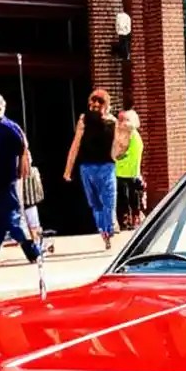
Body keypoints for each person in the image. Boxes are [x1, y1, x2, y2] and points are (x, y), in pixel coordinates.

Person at [0, 93, 40, 266]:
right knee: (3, 217)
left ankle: (29, 251)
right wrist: (20, 172)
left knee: (7, 217)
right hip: (6, 179)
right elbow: (24, 149)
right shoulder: (12, 127)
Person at [64, 88, 124, 250]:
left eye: (99, 101)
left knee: (104, 202)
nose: (96, 104)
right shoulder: (87, 120)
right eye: (94, 101)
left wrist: (68, 170)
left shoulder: (111, 122)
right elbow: (76, 145)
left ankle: (107, 230)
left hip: (101, 166)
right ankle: (105, 231)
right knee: (100, 203)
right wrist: (68, 169)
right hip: (92, 167)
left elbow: (116, 147)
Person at [115, 109, 144, 230]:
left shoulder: (129, 134)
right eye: (121, 120)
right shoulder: (135, 135)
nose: (123, 123)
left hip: (124, 172)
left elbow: (120, 153)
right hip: (130, 172)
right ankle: (132, 219)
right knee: (131, 198)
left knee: (126, 199)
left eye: (126, 120)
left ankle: (127, 220)